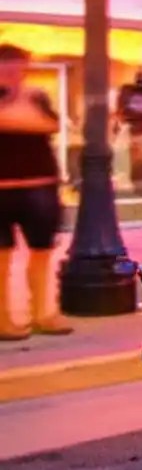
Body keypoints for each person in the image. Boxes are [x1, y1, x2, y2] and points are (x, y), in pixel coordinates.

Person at [0, 44, 72, 340]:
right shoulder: (27, 99)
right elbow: (35, 124)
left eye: (20, 67)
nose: (16, 73)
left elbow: (52, 124)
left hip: (39, 186)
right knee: (1, 256)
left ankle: (43, 313)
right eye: (9, 66)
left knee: (42, 253)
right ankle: (3, 319)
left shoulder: (37, 96)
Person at [114, 70, 142, 196]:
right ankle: (137, 188)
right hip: (137, 132)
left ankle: (140, 188)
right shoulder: (129, 91)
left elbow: (121, 110)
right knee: (132, 164)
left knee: (140, 164)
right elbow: (121, 111)